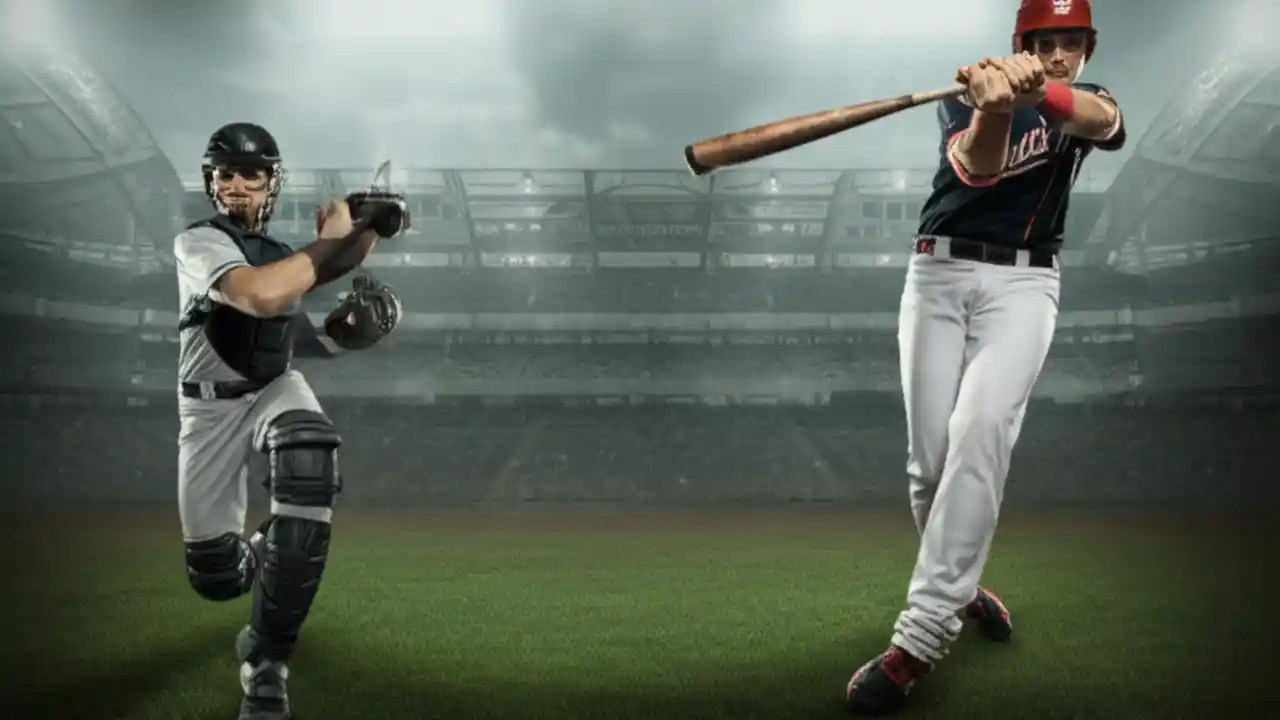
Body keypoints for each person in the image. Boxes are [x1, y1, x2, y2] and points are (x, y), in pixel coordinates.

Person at [845, 1, 1126, 714]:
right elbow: (977, 169)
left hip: (1026, 283)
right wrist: (996, 106)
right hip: (936, 275)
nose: (1059, 54)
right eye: (1045, 43)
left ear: (1087, 49)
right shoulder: (972, 95)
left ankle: (919, 638)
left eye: (1072, 44)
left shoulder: (1089, 99)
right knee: (929, 468)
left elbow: (1102, 124)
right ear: (1021, 42)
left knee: (979, 434)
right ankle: (965, 590)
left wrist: (1043, 92)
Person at [174, 122, 404, 720]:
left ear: (272, 183)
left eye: (253, 175)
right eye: (228, 175)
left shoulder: (282, 255)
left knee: (309, 451)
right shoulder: (199, 243)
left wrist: (369, 227)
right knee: (217, 578)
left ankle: (267, 658)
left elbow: (309, 295)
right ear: (212, 184)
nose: (240, 188)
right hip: (210, 406)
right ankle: (264, 550)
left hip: (273, 385)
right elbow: (261, 297)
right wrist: (334, 237)